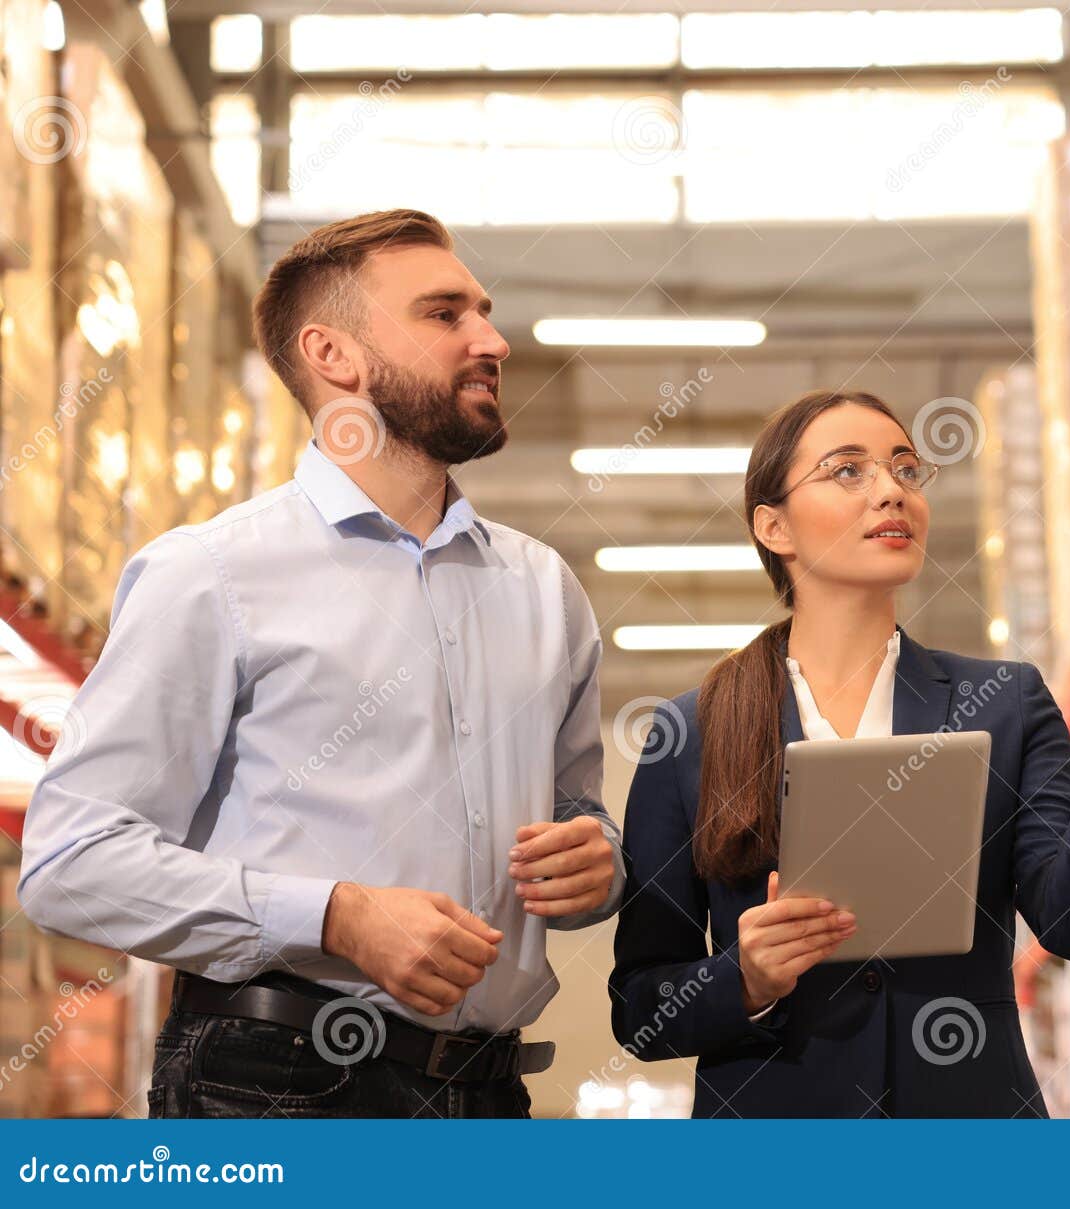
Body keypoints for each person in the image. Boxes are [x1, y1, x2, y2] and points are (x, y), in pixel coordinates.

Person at [20, 209, 622, 1119]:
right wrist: (334, 914)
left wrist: (597, 865)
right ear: (333, 355)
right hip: (271, 1086)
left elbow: (577, 819)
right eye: (444, 314)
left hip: (489, 1093)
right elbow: (70, 862)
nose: (491, 339)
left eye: (483, 312)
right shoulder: (211, 573)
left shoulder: (542, 588)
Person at [610, 388, 1070, 1117]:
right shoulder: (694, 733)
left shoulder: (1005, 702)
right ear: (774, 526)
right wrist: (745, 978)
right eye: (848, 471)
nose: (891, 491)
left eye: (905, 470)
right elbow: (639, 1006)